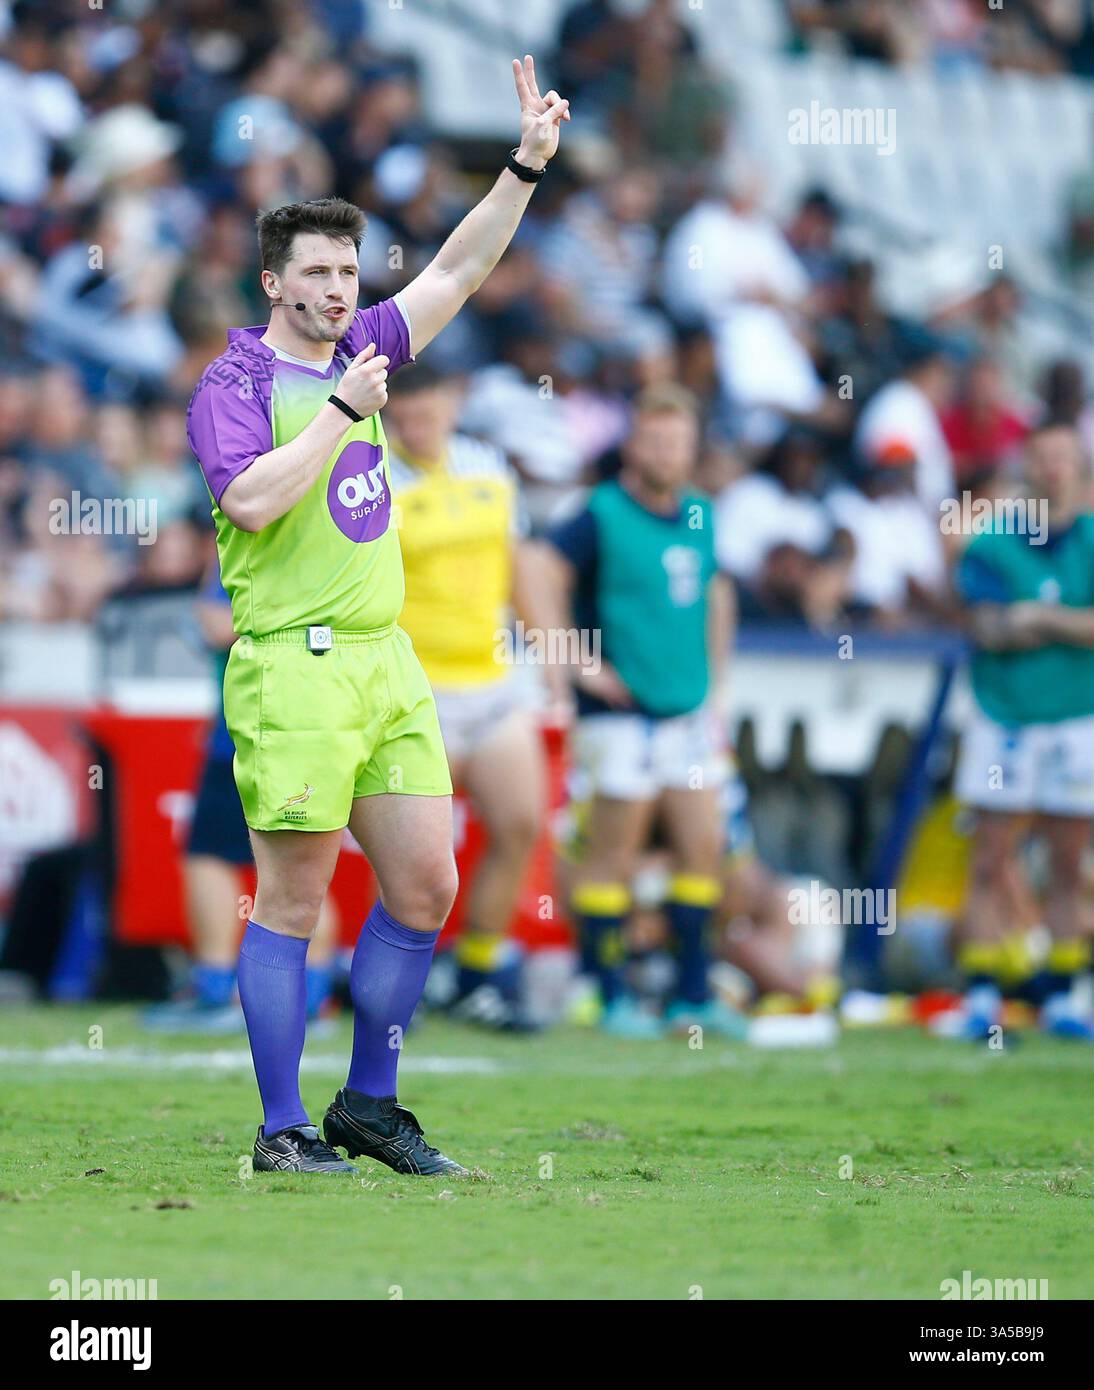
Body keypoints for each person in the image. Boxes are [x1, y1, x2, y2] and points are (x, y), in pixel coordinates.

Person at [185, 57, 570, 1175]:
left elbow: (457, 269)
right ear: (272, 282)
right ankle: (277, 1129)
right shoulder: (236, 380)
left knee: (424, 884)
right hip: (293, 662)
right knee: (295, 896)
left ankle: (368, 1105)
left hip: (384, 662)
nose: (340, 289)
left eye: (349, 271)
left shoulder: (370, 344)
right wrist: (341, 414)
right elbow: (249, 501)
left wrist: (523, 167)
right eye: (316, 272)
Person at [529, 384, 743, 1038]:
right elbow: (536, 570)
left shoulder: (701, 513)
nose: (667, 452)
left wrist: (717, 687)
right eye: (655, 439)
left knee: (702, 845)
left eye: (677, 442)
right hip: (618, 715)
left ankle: (691, 995)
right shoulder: (600, 513)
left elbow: (714, 593)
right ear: (632, 445)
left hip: (684, 711)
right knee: (613, 851)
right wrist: (575, 659)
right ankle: (607, 991)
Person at [383, 361, 545, 1031]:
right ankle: (396, 983)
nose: (419, 427)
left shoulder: (487, 464)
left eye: (429, 413)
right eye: (406, 417)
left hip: (494, 678)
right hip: (420, 685)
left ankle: (479, 971)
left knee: (520, 822)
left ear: (452, 404)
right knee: (411, 852)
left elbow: (519, 565)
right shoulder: (375, 475)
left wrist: (552, 648)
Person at [143, 565, 338, 1036]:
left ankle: (215, 988)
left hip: (250, 732)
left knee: (208, 855)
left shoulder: (250, 532)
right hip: (318, 727)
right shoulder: (338, 540)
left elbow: (217, 624)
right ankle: (310, 993)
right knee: (303, 863)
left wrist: (209, 608)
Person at [952, 422, 1094, 1039]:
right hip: (1004, 715)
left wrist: (1035, 615)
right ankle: (983, 994)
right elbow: (985, 628)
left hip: (1076, 716)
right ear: (1027, 467)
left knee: (1069, 860)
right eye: (1043, 457)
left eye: (1065, 457)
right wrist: (1069, 623)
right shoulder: (992, 541)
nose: (1054, 469)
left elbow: (1017, 624)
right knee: (991, 856)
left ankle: (1062, 994)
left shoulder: (1089, 537)